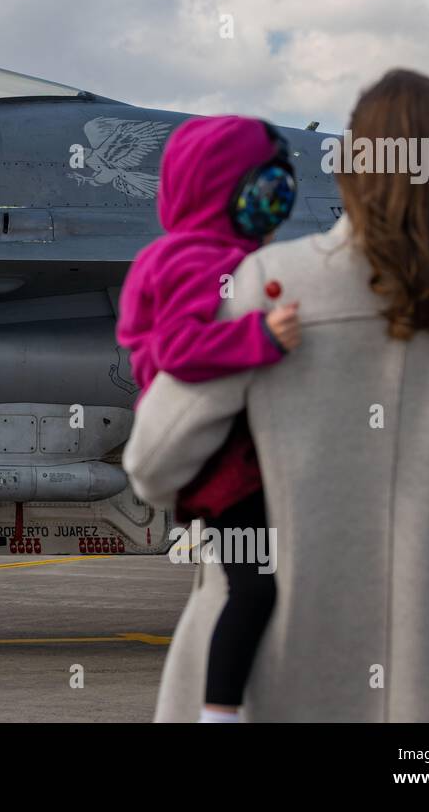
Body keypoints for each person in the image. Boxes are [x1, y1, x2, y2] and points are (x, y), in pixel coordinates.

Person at [124, 69, 429, 721]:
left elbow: (155, 463)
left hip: (261, 682)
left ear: (350, 170)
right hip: (418, 682)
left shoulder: (268, 282)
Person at [116, 115, 301, 723]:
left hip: (223, 454)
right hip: (223, 461)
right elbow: (178, 352)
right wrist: (263, 336)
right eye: (265, 181)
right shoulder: (196, 258)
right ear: (229, 188)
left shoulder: (196, 252)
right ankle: (219, 714)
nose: (279, 195)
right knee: (259, 587)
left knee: (256, 585)